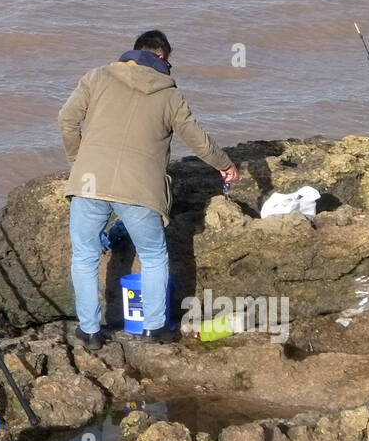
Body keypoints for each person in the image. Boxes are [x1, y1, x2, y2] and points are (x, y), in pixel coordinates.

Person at [57, 29, 237, 348]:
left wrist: (79, 160)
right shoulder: (170, 95)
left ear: (133, 52)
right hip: (140, 191)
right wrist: (225, 164)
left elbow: (66, 120)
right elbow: (197, 139)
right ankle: (154, 328)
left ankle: (90, 331)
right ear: (162, 57)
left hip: (89, 181)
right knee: (153, 255)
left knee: (84, 256)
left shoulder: (97, 76)